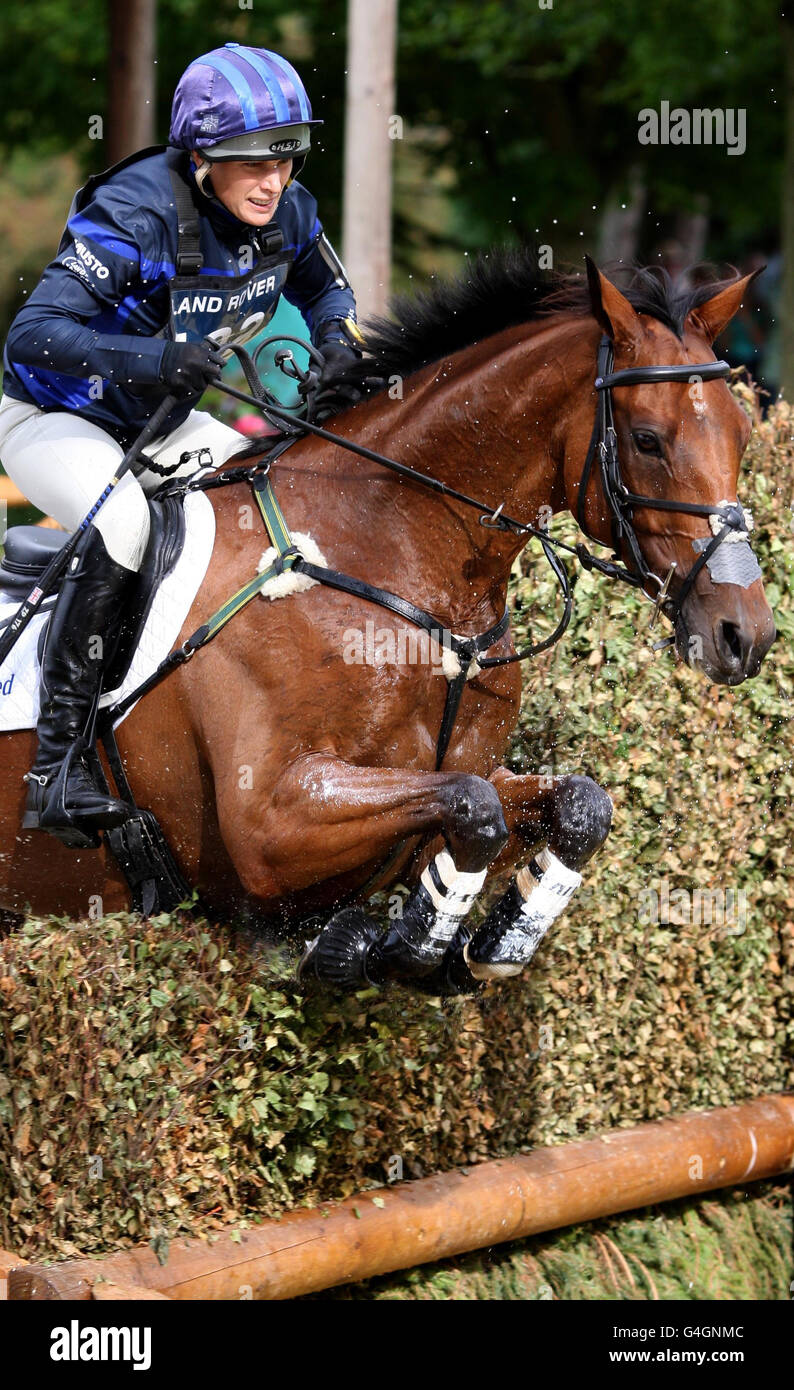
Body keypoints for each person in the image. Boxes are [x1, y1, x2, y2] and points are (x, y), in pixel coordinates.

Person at [0, 42, 362, 844]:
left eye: (287, 157)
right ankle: (53, 771)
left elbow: (326, 286)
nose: (275, 181)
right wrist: (155, 359)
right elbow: (32, 334)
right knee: (126, 525)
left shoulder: (287, 214)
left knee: (262, 490)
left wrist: (337, 336)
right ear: (201, 159)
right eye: (252, 163)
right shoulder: (134, 214)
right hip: (54, 422)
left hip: (156, 425)